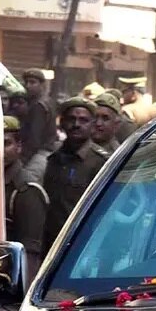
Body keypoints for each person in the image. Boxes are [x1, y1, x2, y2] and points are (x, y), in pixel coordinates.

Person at [41, 96, 110, 257]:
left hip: (84, 247)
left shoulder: (101, 162)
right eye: (71, 119)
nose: (76, 124)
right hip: (52, 244)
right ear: (62, 123)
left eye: (83, 120)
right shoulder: (54, 159)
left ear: (92, 124)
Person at [3, 116, 49, 286]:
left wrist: (23, 294)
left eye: (6, 143)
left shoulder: (26, 190)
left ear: (18, 146)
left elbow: (30, 254)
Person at [19, 67, 58, 182]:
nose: (28, 86)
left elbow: (34, 138)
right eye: (26, 82)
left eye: (32, 82)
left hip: (38, 154)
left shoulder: (38, 106)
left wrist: (22, 160)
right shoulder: (46, 101)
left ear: (42, 85)